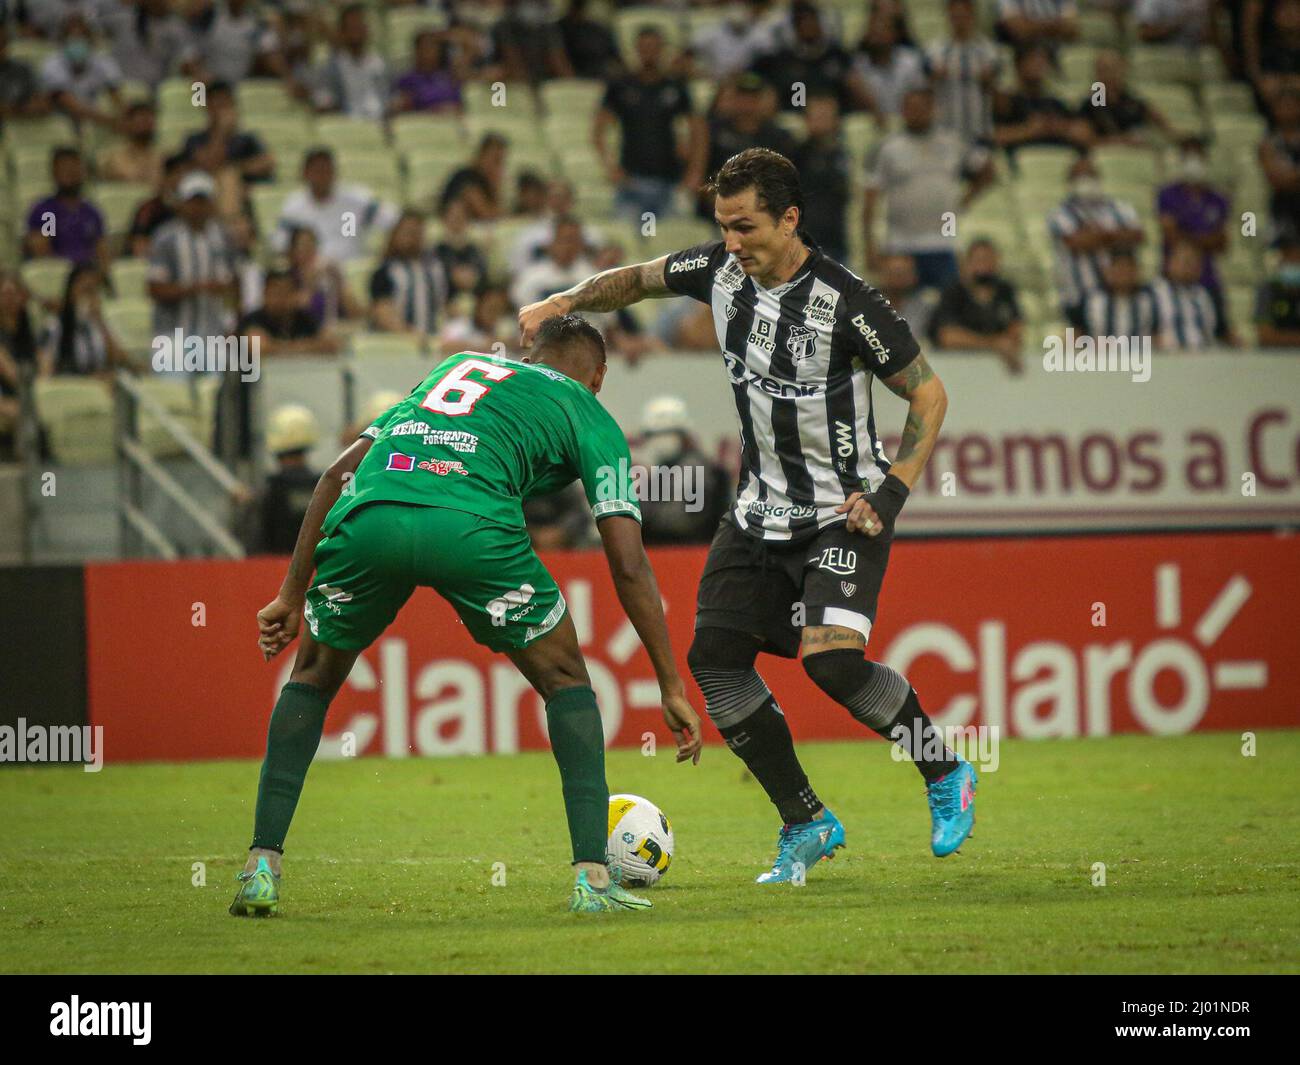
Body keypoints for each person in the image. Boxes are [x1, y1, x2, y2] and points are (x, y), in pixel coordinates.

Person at [519, 147, 978, 884]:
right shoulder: (720, 272)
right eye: (723, 227)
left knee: (829, 660)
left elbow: (927, 394)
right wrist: (564, 301)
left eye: (746, 227)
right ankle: (805, 820)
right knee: (714, 661)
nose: (731, 243)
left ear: (790, 219)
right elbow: (634, 281)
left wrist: (890, 493)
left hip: (843, 512)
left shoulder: (848, 301)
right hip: (757, 513)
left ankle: (945, 769)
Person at [233, 316, 703, 917]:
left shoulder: (453, 368)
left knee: (312, 677)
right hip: (471, 528)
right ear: (600, 375)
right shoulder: (587, 410)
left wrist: (290, 594)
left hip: (370, 516)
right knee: (565, 680)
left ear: (531, 352)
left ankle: (259, 869)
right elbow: (629, 563)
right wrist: (668, 682)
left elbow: (335, 473)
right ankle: (591, 879)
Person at [863, 86, 994, 290]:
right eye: (910, 107)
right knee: (899, 312)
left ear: (933, 109)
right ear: (902, 110)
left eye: (922, 107)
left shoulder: (952, 142)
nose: (916, 112)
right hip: (901, 244)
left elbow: (987, 171)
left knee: (948, 306)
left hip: (943, 241)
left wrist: (962, 202)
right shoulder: (888, 148)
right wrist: (870, 247)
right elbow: (869, 201)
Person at [594, 26, 703, 224]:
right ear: (636, 50)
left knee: (668, 244)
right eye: (644, 48)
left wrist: (694, 171)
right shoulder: (621, 86)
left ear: (662, 50)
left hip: (669, 180)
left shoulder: (675, 87)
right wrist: (611, 167)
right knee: (633, 241)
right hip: (632, 179)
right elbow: (599, 130)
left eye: (654, 47)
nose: (649, 53)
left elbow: (697, 129)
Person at [1047, 156, 1145, 317]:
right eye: (1080, 177)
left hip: (1119, 297)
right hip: (1080, 296)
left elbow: (1137, 235)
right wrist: (1115, 235)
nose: (1086, 181)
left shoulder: (1121, 208)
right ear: (1069, 182)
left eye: (1090, 176)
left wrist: (1098, 235)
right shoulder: (1059, 213)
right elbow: (1076, 242)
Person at [928, 238, 1024, 373]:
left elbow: (1016, 330)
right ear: (966, 263)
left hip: (997, 371)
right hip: (957, 368)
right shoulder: (953, 292)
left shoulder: (1005, 291)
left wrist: (1006, 343)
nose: (984, 266)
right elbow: (948, 337)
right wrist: (994, 344)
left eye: (988, 260)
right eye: (979, 260)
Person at [1157, 138, 1230, 293]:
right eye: (1188, 157)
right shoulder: (1168, 194)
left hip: (1207, 278)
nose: (1193, 162)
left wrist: (1186, 235)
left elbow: (1221, 242)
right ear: (1180, 161)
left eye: (1197, 157)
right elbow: (1171, 235)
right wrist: (1205, 239)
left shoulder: (1218, 199)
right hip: (1173, 277)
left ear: (1206, 160)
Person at [926, 0, 1002, 146]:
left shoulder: (989, 51)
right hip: (944, 130)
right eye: (955, 15)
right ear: (948, 16)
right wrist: (934, 77)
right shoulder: (934, 51)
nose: (960, 20)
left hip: (979, 130)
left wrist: (988, 81)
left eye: (964, 15)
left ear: (972, 16)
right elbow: (926, 89)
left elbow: (996, 91)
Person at [24, 146, 107, 269]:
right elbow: (43, 252)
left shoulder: (91, 213)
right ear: (54, 173)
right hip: (58, 274)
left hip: (88, 273)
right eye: (64, 169)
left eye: (74, 169)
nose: (69, 174)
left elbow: (102, 251)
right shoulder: (48, 212)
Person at [1070, 247, 1160, 346]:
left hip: (1139, 358)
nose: (1123, 274)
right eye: (1119, 268)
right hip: (1099, 358)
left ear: (1136, 272)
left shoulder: (1147, 299)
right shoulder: (1093, 299)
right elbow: (1078, 333)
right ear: (1109, 272)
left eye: (1128, 268)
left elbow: (1156, 335)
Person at [1255, 228, 1300, 347]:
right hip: (1274, 360)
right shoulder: (1268, 290)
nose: (1294, 262)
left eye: (1297, 258)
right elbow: (1265, 336)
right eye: (1289, 257)